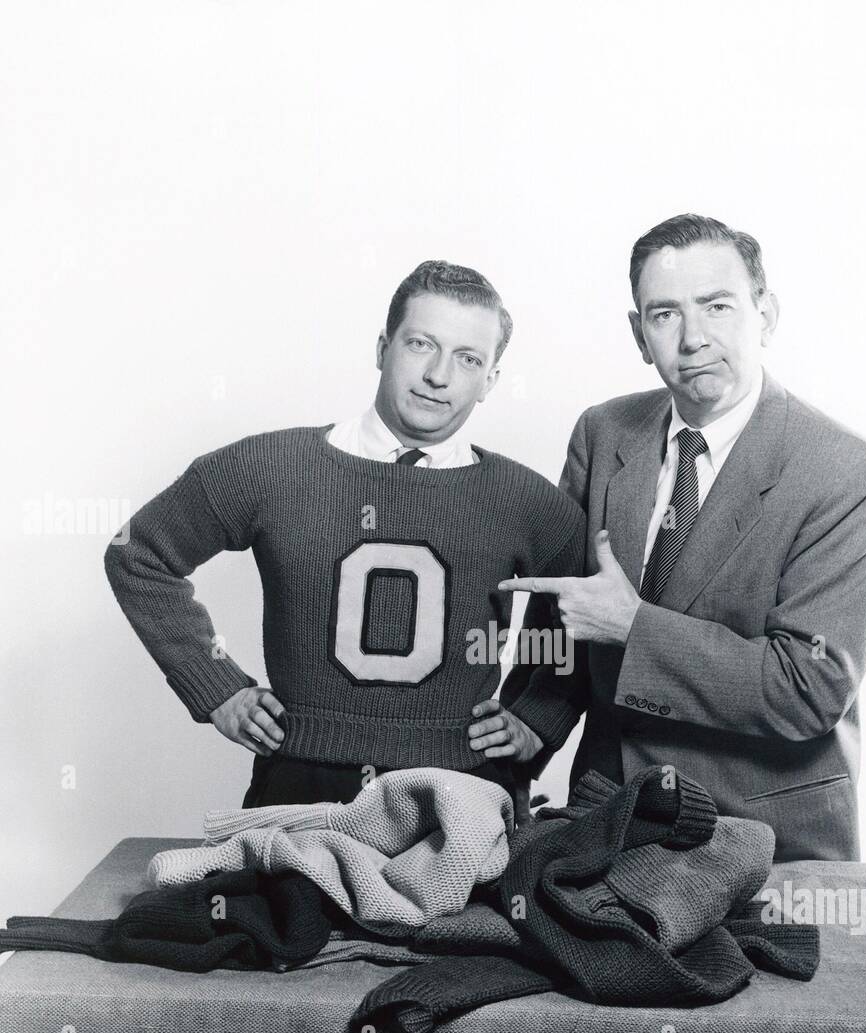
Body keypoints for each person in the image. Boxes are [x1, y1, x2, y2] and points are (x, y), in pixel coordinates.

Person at [105, 260, 581, 809]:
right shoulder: (271, 467)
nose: (439, 375)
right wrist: (216, 688)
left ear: (490, 380)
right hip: (299, 784)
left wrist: (535, 718)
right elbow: (137, 553)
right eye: (421, 344)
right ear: (383, 348)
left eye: (467, 358)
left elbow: (578, 622)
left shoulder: (529, 502)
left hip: (463, 790)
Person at [497, 214, 866, 861]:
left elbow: (809, 687)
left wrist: (634, 627)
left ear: (765, 313)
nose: (693, 339)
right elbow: (566, 621)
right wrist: (527, 727)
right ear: (638, 333)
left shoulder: (850, 473)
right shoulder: (603, 432)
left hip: (760, 842)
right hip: (605, 817)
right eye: (664, 315)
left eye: (717, 307)